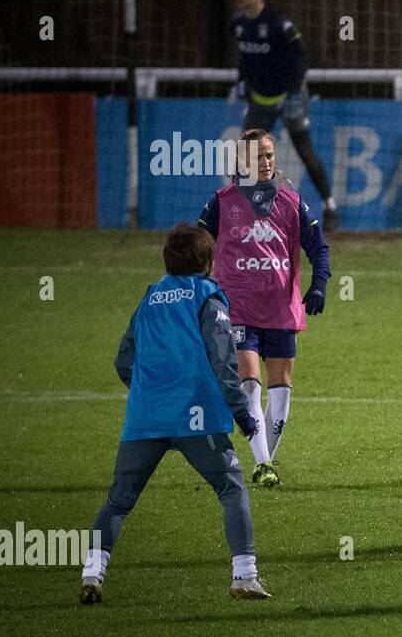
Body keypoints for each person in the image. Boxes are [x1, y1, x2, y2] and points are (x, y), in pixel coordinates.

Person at [80, 224, 269, 604]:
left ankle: (92, 573)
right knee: (231, 489)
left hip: (145, 417)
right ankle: (244, 576)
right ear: (207, 262)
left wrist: (152, 394)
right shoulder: (208, 298)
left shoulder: (149, 298)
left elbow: (124, 360)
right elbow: (223, 361)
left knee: (118, 501)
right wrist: (244, 415)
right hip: (195, 417)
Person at [197, 128, 331, 487]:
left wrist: (319, 286)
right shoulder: (221, 202)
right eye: (259, 156)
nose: (267, 162)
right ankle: (262, 463)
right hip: (236, 309)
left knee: (282, 389)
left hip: (281, 310)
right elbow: (196, 247)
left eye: (270, 155)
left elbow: (319, 249)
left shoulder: (292, 203)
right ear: (242, 161)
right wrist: (198, 290)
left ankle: (264, 461)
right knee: (250, 384)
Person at [231, 0, 338, 232]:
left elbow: (301, 57)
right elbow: (246, 58)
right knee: (246, 153)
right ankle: (245, 210)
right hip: (260, 99)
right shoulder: (238, 24)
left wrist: (292, 91)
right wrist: (242, 82)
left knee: (303, 148)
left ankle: (330, 206)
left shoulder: (279, 24)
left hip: (289, 97)